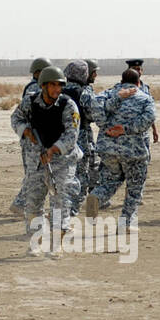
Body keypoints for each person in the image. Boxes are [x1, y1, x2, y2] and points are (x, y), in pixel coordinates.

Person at [10, 66, 82, 244]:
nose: (57, 89)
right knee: (33, 201)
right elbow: (16, 118)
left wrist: (53, 150)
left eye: (60, 85)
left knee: (60, 198)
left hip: (62, 161)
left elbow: (72, 135)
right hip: (36, 160)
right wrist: (25, 131)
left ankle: (60, 235)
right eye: (53, 85)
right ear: (43, 85)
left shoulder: (68, 105)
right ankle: (36, 241)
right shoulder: (30, 101)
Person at [84, 69, 155, 229]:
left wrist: (104, 125)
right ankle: (127, 223)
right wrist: (125, 129)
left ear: (121, 81)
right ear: (138, 82)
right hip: (134, 150)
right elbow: (148, 119)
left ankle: (97, 196)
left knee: (112, 179)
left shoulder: (107, 94)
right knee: (134, 186)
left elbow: (95, 108)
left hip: (107, 148)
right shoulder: (145, 98)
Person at [11, 57, 54, 215]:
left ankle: (22, 204)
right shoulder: (35, 88)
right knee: (36, 172)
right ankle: (21, 204)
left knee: (36, 172)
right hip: (34, 138)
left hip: (33, 136)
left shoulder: (33, 86)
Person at [62, 59, 101, 213]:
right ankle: (71, 210)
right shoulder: (83, 92)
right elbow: (93, 114)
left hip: (60, 137)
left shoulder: (59, 90)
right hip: (80, 136)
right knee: (81, 174)